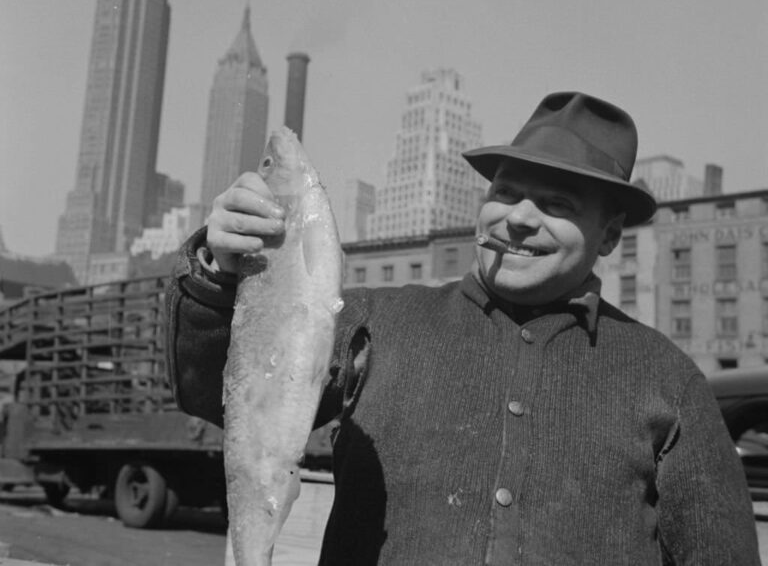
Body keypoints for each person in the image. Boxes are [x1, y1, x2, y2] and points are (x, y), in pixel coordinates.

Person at [165, 91, 759, 565]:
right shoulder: (377, 322)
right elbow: (213, 390)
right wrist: (219, 273)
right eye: (506, 192)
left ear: (608, 236)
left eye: (557, 204)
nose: (520, 218)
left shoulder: (666, 378)